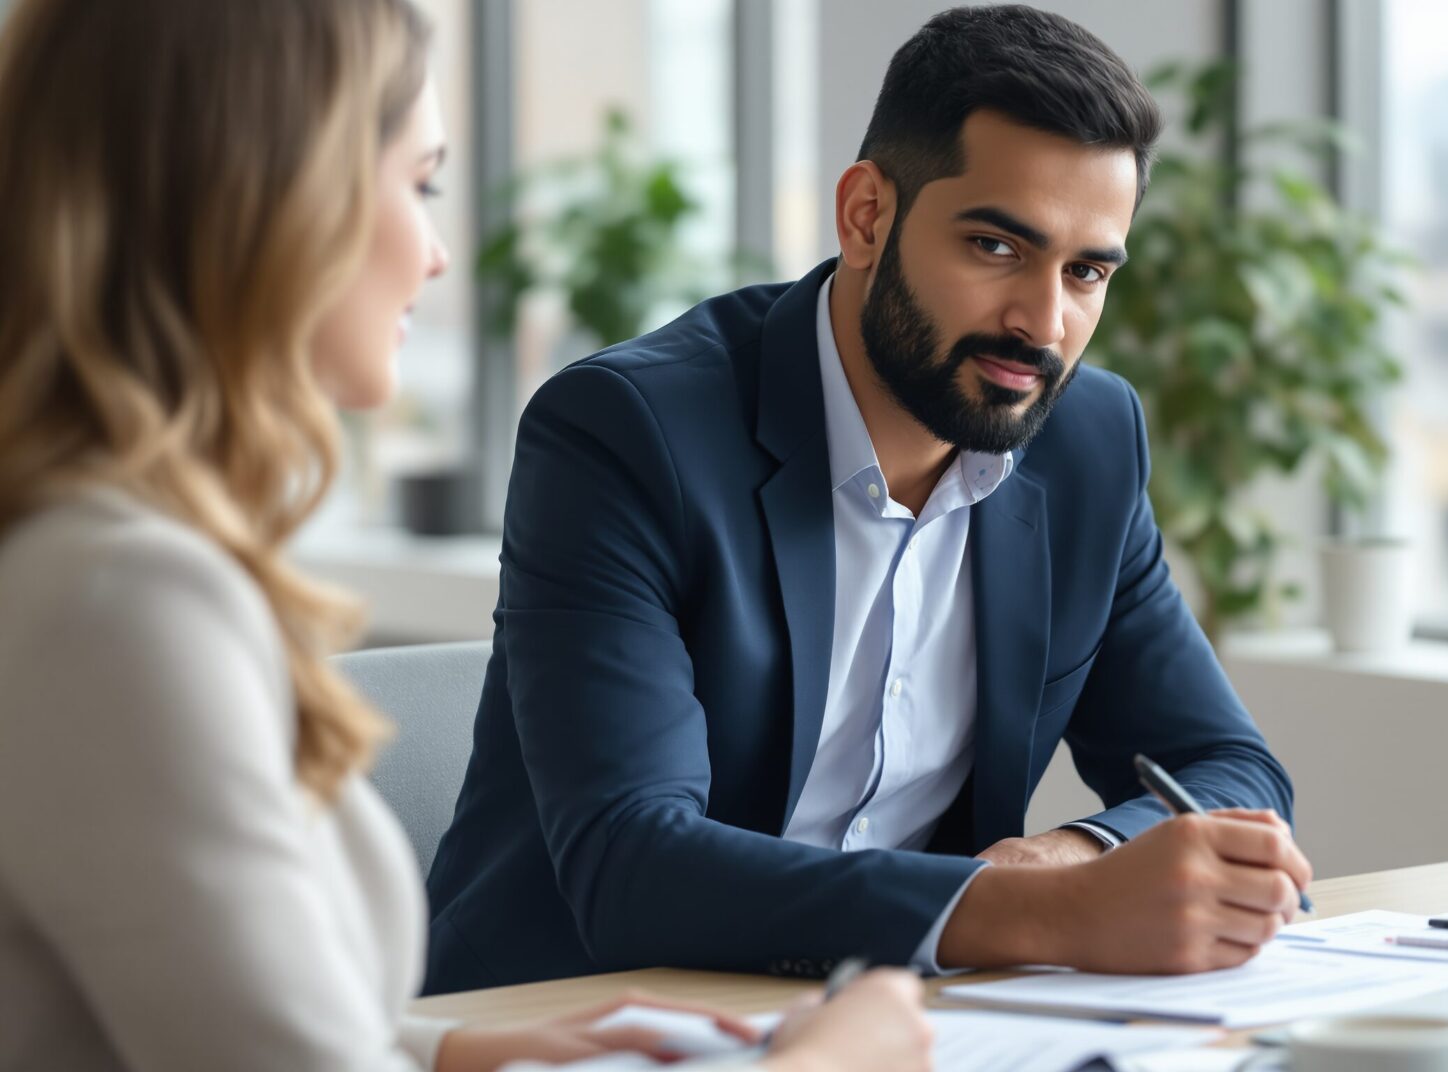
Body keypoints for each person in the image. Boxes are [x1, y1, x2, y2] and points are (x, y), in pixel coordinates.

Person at [0, 1, 929, 1069]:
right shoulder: (118, 603)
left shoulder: (101, 560)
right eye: (422, 182)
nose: (440, 254)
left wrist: (445, 1053)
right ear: (272, 198)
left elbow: (165, 998)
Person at [425, 3, 1314, 996]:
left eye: (1087, 271)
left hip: (903, 1021)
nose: (1043, 321)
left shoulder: (1089, 445)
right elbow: (633, 864)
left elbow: (1230, 771)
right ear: (866, 216)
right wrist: (1044, 914)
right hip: (575, 1019)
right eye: (996, 247)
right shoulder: (629, 434)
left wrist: (1072, 855)